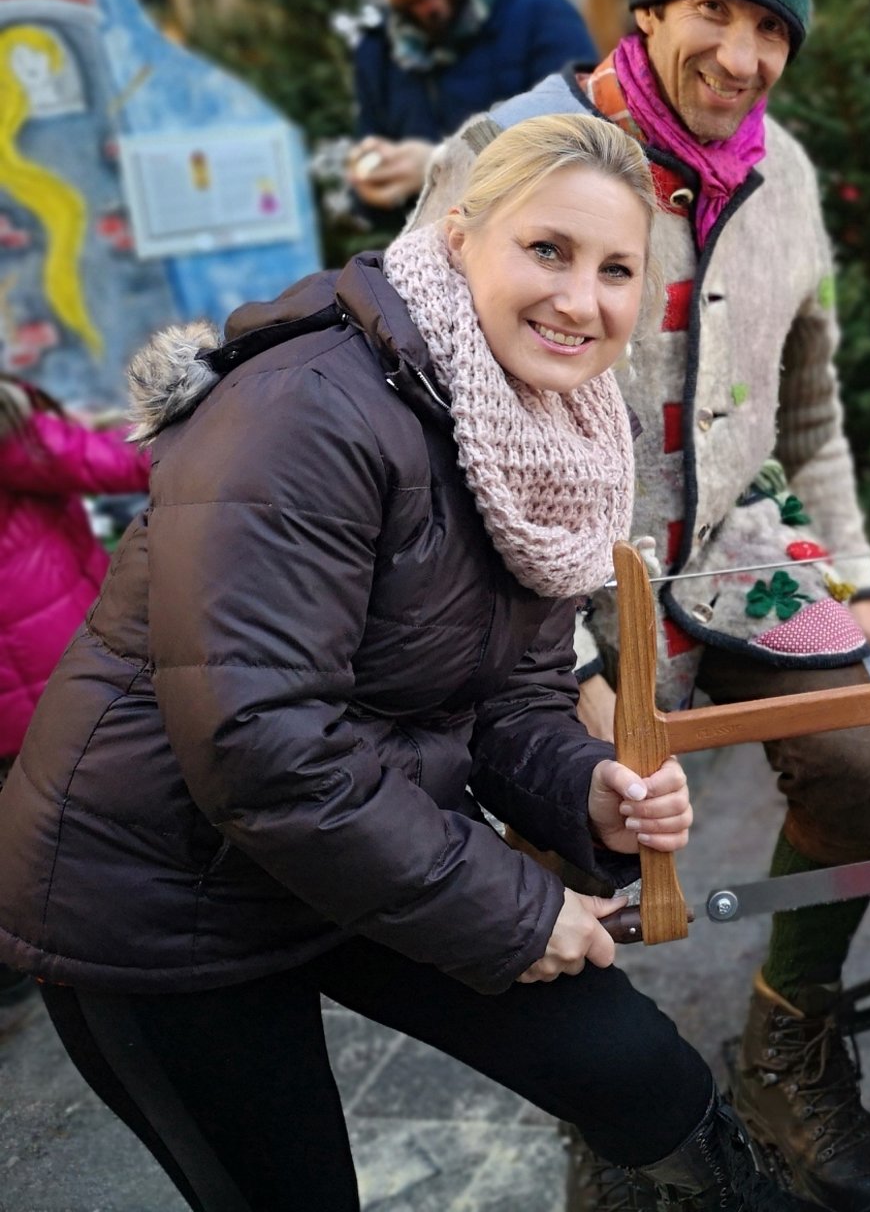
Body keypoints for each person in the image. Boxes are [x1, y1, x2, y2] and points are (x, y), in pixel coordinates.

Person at [0, 114, 823, 1212]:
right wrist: (516, 910)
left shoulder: (550, 426)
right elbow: (261, 747)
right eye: (548, 250)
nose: (581, 300)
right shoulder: (307, 410)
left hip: (354, 840)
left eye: (616, 269)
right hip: (161, 898)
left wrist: (586, 792)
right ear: (459, 236)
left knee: (637, 1071)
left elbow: (512, 691)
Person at [418, 0, 870, 1212]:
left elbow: (808, 402)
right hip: (544, 563)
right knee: (582, 826)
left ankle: (787, 1039)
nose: (743, 56)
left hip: (734, 546)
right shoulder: (513, 156)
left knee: (861, 769)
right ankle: (618, 1110)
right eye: (713, 10)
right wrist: (561, 659)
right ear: (648, 11)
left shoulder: (788, 174)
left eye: (772, 31)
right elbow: (421, 406)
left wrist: (858, 571)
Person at [0, 374, 151, 1035]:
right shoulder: (11, 428)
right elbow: (126, 464)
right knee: (87, 816)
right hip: (41, 664)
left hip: (21, 670)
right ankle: (95, 955)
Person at [345, 0, 597, 227]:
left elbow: (584, 147)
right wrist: (373, 184)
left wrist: (444, 165)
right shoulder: (377, 53)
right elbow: (373, 204)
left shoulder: (542, 16)